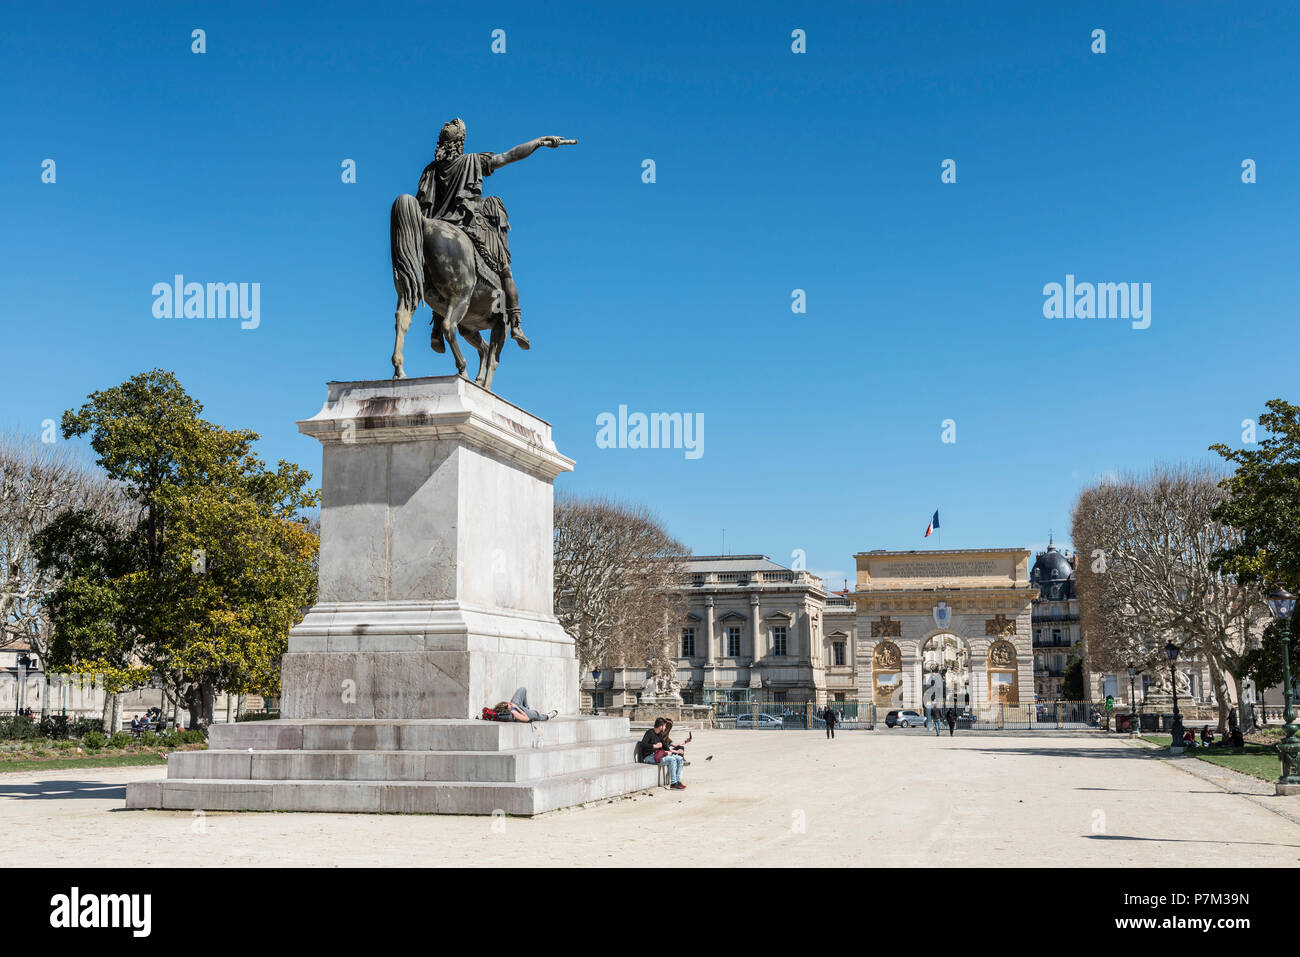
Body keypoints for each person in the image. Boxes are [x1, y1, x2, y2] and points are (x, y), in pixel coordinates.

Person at [416, 119, 569, 353]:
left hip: (433, 229)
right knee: (505, 268)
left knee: (439, 273)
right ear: (461, 143)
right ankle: (516, 323)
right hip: (468, 227)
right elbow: (509, 156)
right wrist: (539, 142)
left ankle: (437, 326)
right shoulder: (472, 161)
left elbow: (421, 207)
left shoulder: (430, 171)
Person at [635, 717, 685, 790]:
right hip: (649, 757)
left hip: (658, 755)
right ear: (661, 726)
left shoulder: (659, 734)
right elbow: (642, 744)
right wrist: (654, 746)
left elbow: (665, 746)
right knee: (672, 760)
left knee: (680, 759)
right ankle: (673, 783)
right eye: (664, 725)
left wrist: (676, 752)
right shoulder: (649, 732)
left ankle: (677, 781)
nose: (665, 727)